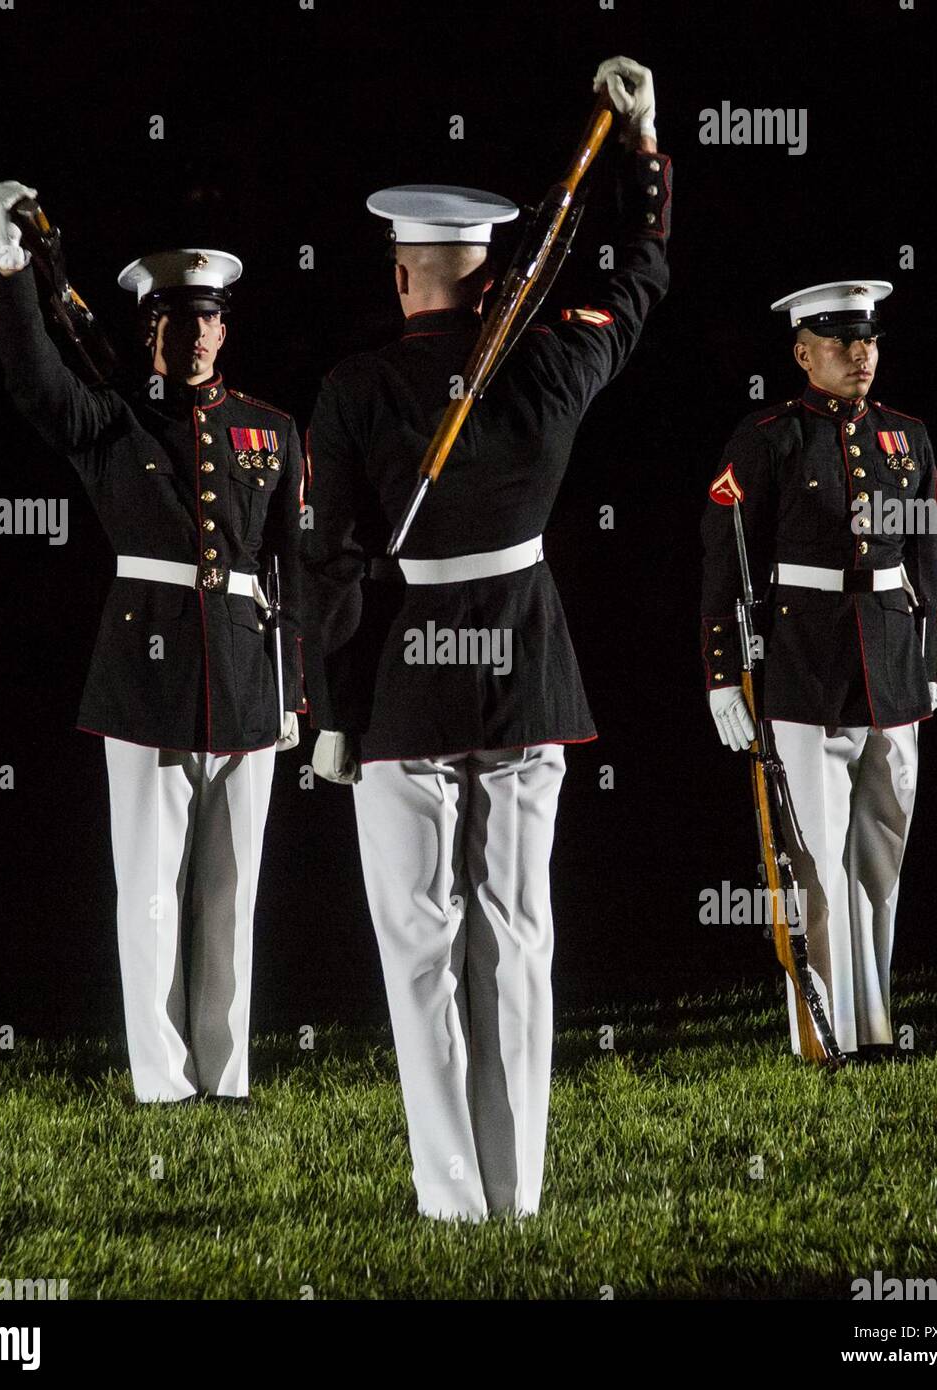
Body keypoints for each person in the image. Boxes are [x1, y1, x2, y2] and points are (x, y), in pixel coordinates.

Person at [300, 57, 672, 1217]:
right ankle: (518, 1191)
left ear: (402, 268)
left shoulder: (355, 390)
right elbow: (644, 278)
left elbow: (331, 566)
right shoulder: (555, 362)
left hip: (401, 686)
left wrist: (329, 713)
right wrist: (643, 149)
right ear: (494, 271)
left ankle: (453, 1193)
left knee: (419, 947)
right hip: (524, 668)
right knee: (517, 938)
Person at [0, 181, 304, 1102]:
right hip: (144, 678)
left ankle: (226, 1073)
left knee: (230, 896)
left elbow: (296, 574)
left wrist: (297, 693)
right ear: (149, 329)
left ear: (225, 330)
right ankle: (162, 1078)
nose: (194, 336)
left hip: (247, 673)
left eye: (208, 320)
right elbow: (32, 376)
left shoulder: (270, 431)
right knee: (153, 893)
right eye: (175, 320)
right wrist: (11, 263)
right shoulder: (110, 422)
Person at [700, 280, 937, 1059]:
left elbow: (925, 558)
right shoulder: (767, 436)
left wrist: (928, 655)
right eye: (839, 342)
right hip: (804, 669)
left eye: (866, 339)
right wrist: (720, 672)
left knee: (881, 853)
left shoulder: (906, 436)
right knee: (812, 858)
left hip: (891, 664)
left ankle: (872, 1025)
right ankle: (822, 1030)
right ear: (803, 353)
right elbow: (723, 557)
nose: (858, 353)